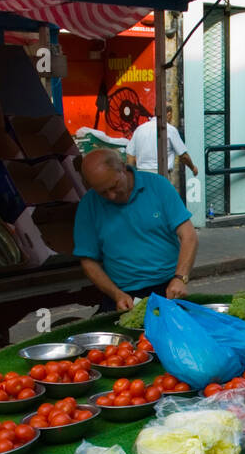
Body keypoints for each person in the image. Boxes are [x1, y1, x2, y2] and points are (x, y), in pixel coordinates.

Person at [73, 149, 198, 311]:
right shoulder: (88, 204)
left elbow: (189, 236)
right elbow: (88, 261)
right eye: (102, 192)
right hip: (122, 294)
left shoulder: (158, 186)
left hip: (168, 287)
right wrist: (116, 294)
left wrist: (181, 278)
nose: (111, 196)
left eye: (114, 186)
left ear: (123, 168)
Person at [127, 105, 199, 178]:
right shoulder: (169, 129)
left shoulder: (139, 129)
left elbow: (130, 155)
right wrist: (193, 168)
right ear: (169, 114)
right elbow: (183, 156)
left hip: (141, 175)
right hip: (161, 175)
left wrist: (132, 176)